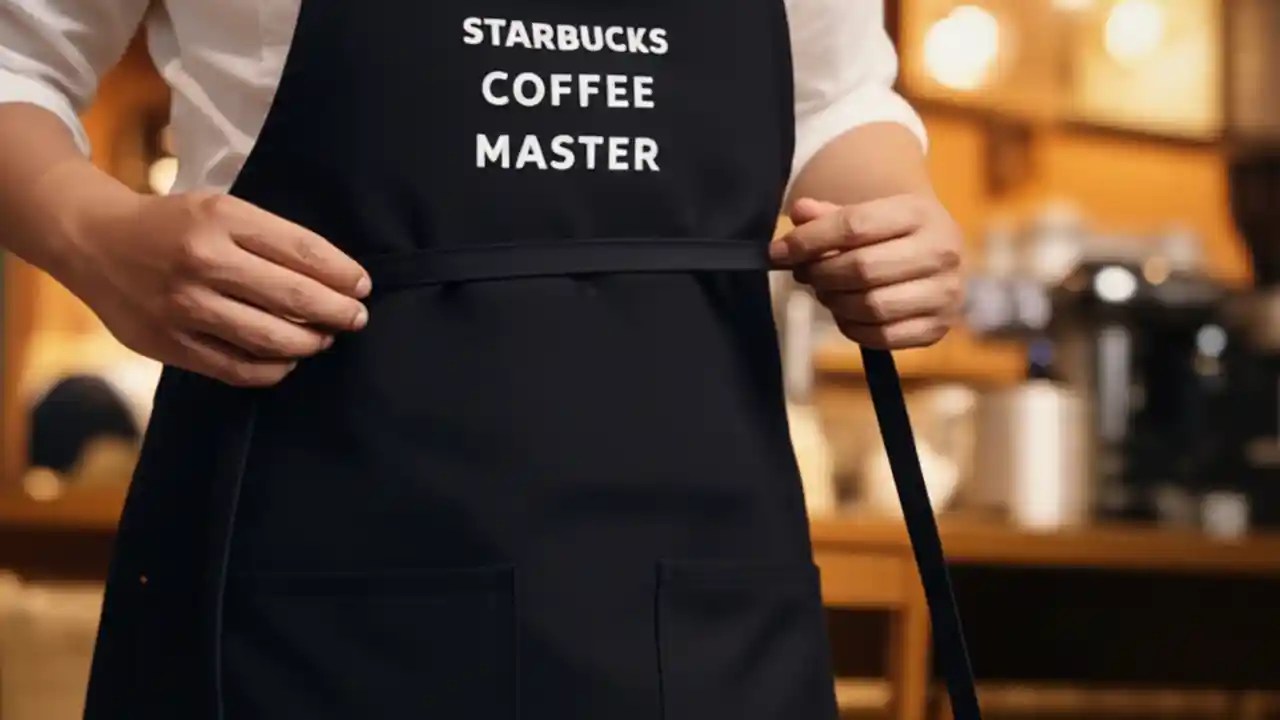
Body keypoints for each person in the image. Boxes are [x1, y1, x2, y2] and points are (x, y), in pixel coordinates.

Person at [0, 1, 964, 717]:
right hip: (302, 588)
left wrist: (893, 214)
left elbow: (837, 99)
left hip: (707, 599)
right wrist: (95, 234)